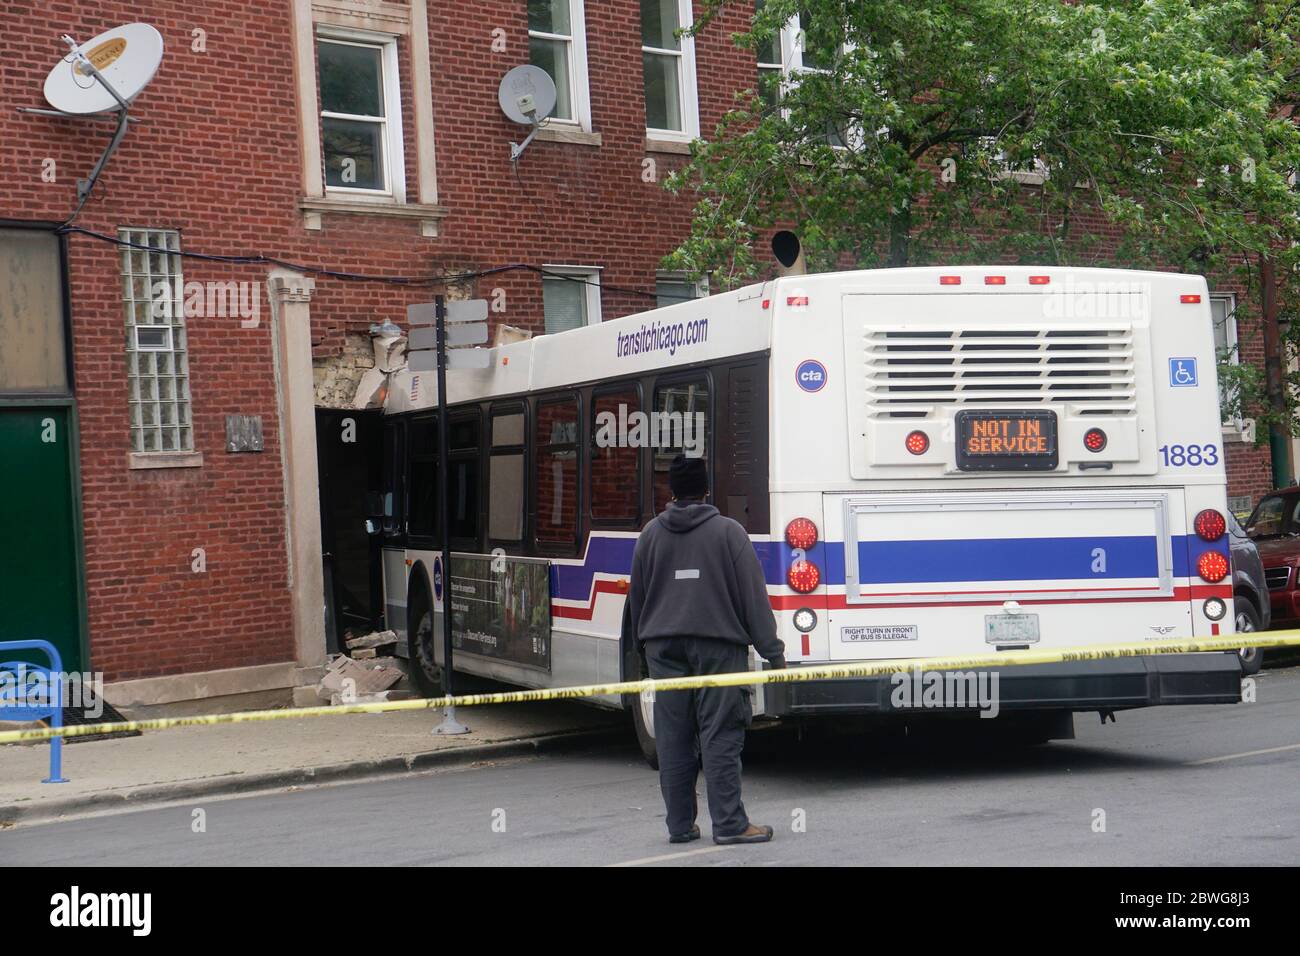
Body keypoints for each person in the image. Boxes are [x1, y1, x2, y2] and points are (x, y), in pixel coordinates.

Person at [626, 453, 786, 845]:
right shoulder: (729, 533)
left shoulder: (650, 535)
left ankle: (679, 825)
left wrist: (638, 653)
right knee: (720, 735)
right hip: (719, 648)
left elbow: (637, 600)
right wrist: (773, 652)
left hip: (663, 649)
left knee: (673, 737)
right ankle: (730, 825)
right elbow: (753, 598)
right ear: (706, 489)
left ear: (672, 491)